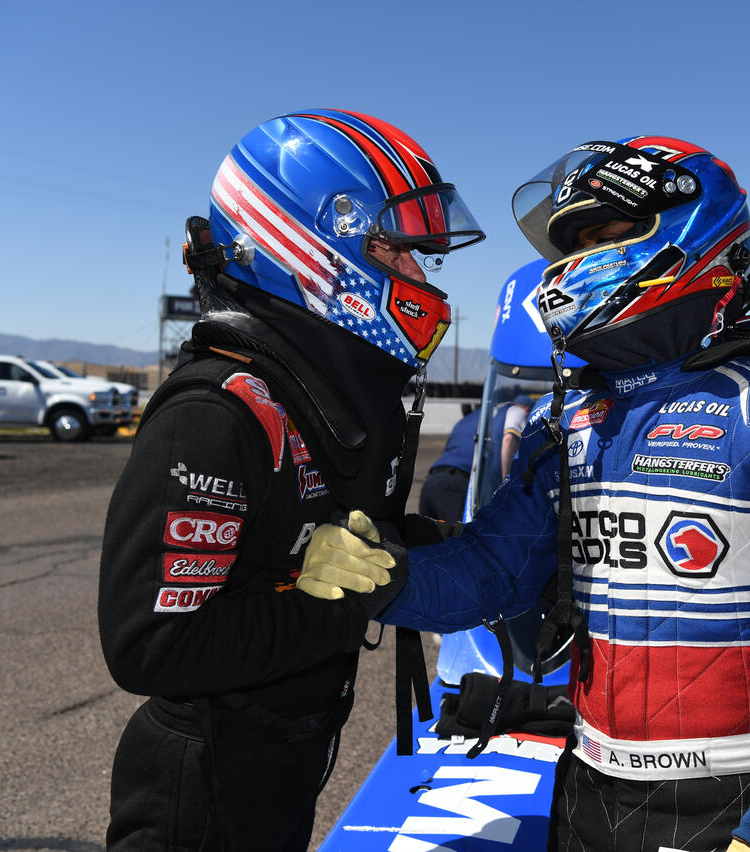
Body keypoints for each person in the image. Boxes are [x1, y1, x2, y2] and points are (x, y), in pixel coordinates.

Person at [301, 136, 750, 852]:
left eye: (607, 235)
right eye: (576, 245)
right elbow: (493, 574)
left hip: (728, 805)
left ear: (693, 232)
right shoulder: (571, 417)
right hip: (584, 784)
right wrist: (384, 577)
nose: (582, 261)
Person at [96, 109, 484, 850]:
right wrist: (349, 600)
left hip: (286, 755)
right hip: (204, 783)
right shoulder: (216, 411)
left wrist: (446, 547)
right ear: (307, 242)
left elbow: (329, 539)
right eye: (396, 251)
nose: (417, 276)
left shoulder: (324, 389)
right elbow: (150, 645)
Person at [418, 394, 533, 523]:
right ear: (527, 410)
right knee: (461, 535)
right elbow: (509, 439)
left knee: (427, 534)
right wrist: (507, 485)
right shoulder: (517, 411)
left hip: (431, 483)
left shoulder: (469, 418)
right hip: (457, 486)